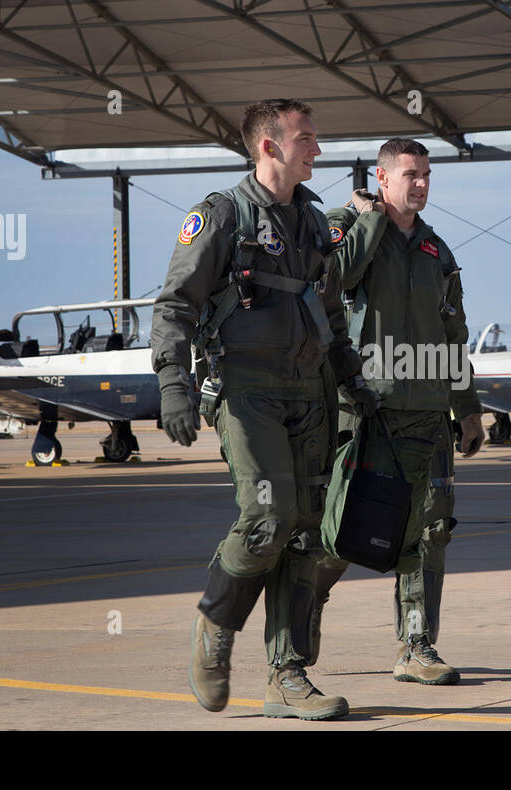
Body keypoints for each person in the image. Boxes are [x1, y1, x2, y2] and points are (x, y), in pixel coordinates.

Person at [150, 98, 378, 720]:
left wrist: (352, 380)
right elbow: (174, 305)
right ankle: (215, 630)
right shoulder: (220, 217)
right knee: (266, 521)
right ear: (269, 147)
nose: (318, 150)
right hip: (246, 390)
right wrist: (173, 381)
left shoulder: (312, 224)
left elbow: (329, 313)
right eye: (307, 138)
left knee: (306, 533)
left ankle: (288, 676)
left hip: (310, 391)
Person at [318, 137, 486, 685]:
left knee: (430, 530)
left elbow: (453, 334)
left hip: (429, 415)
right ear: (382, 177)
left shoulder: (438, 251)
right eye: (410, 174)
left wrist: (468, 410)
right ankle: (299, 625)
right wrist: (366, 222)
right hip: (370, 412)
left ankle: (417, 647)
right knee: (344, 530)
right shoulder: (349, 226)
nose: (420, 184)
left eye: (427, 175)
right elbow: (331, 281)